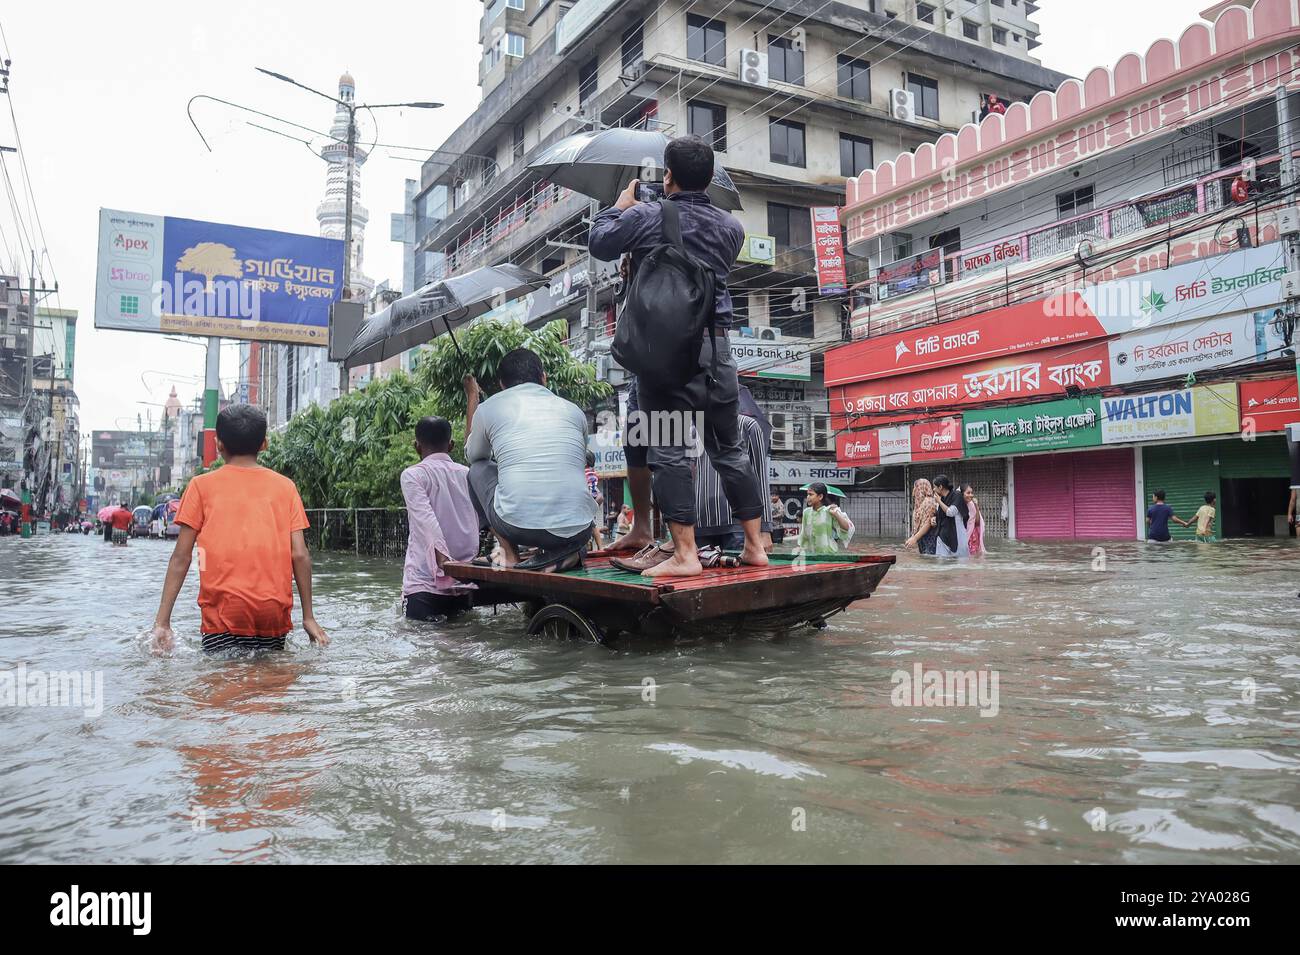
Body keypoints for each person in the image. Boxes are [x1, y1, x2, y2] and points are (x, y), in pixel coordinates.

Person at [588, 134, 766, 578]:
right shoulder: (732, 228)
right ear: (708, 179)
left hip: (665, 357)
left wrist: (620, 206)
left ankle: (685, 554)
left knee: (666, 447)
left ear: (667, 175)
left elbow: (600, 242)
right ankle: (755, 545)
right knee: (728, 448)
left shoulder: (647, 216)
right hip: (719, 351)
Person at [150, 403, 328, 655]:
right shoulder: (286, 487)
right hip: (273, 614)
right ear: (264, 444)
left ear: (219, 444)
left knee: (224, 685)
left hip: (222, 614)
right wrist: (308, 616)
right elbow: (300, 554)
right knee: (271, 686)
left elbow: (182, 557)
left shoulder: (200, 486)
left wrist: (163, 622)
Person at [464, 347, 597, 572]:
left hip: (518, 527)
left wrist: (472, 398)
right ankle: (568, 551)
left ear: (501, 384)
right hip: (581, 527)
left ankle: (509, 553)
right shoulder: (573, 410)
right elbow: (582, 456)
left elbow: (473, 457)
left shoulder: (489, 408)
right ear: (543, 378)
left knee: (477, 470)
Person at [400, 415, 481, 621]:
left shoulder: (413, 475)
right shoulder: (467, 474)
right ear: (451, 445)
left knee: (424, 648)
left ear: (416, 446)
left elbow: (425, 521)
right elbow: (478, 520)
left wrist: (443, 563)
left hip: (424, 581)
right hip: (464, 580)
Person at [694, 412, 772, 552]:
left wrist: (765, 529)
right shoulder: (693, 429)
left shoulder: (748, 425)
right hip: (699, 525)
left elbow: (760, 477)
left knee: (742, 573)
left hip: (739, 527)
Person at [795, 483, 854, 553]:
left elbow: (846, 528)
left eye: (811, 494)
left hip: (829, 553)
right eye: (807, 494)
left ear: (820, 496)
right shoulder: (806, 512)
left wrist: (836, 515)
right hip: (812, 553)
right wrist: (801, 548)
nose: (808, 497)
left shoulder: (829, 511)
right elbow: (804, 533)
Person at [932, 475, 964, 557]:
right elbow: (938, 515)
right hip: (942, 537)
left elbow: (951, 512)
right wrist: (934, 519)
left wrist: (939, 501)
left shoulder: (956, 495)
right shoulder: (941, 498)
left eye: (934, 487)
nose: (933, 489)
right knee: (942, 563)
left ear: (940, 487)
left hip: (955, 536)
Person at [905, 478, 938, 555]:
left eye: (916, 487)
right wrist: (914, 537)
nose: (914, 491)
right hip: (922, 537)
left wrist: (915, 538)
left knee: (929, 559)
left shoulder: (929, 502)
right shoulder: (920, 503)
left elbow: (927, 523)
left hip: (929, 537)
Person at [584, 450, 606, 550]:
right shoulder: (592, 472)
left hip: (588, 498)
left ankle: (599, 547)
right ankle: (599, 547)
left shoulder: (584, 472)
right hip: (593, 498)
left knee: (592, 525)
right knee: (592, 524)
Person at [962, 484, 985, 556]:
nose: (971, 495)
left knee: (973, 558)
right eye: (968, 493)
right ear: (962, 494)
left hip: (973, 536)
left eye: (971, 493)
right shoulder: (958, 506)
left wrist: (976, 507)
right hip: (962, 535)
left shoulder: (972, 505)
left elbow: (977, 523)